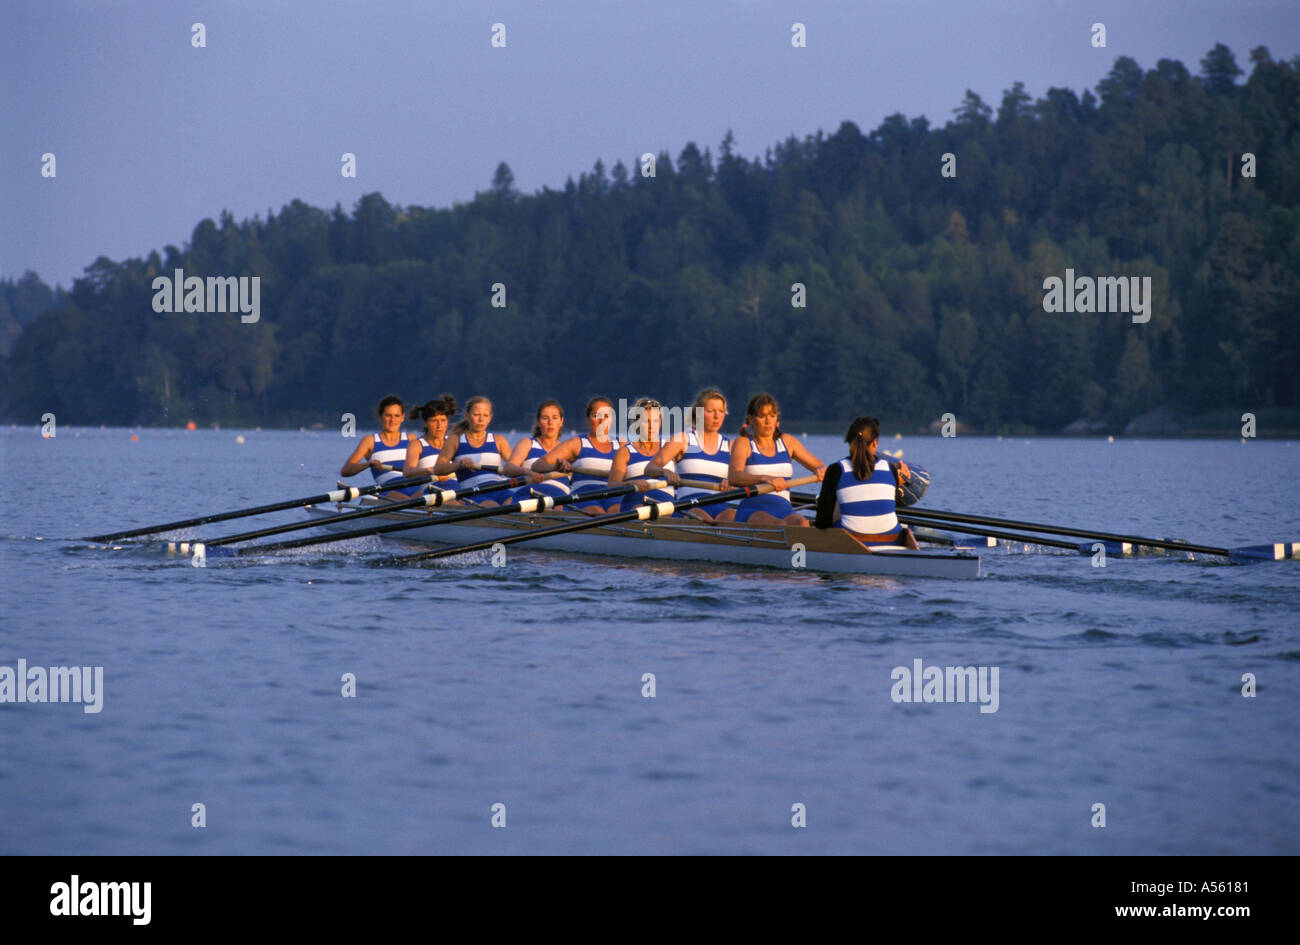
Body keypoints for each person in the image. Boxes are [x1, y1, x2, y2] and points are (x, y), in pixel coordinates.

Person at [813, 415, 920, 549]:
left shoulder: (836, 470)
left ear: (849, 441)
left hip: (852, 541)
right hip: (893, 540)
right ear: (875, 442)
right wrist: (898, 482)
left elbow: (822, 523)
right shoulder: (890, 469)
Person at [728, 393, 826, 526]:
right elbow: (734, 476)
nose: (768, 422)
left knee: (802, 523)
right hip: (753, 510)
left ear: (776, 419)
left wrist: (821, 470)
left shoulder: (788, 442)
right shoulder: (743, 443)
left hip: (784, 508)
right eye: (762, 416)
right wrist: (765, 478)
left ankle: (800, 545)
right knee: (779, 524)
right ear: (751, 420)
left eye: (772, 416)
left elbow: (819, 466)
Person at [647, 387, 733, 522]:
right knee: (699, 515)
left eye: (721, 411)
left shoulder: (731, 446)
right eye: (710, 411)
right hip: (689, 506)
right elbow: (650, 468)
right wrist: (665, 472)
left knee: (732, 515)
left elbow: (743, 477)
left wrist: (733, 481)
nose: (717, 416)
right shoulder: (682, 439)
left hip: (721, 507)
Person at [532, 396, 622, 515]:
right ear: (588, 419)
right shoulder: (577, 443)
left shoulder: (621, 444)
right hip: (584, 495)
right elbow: (537, 465)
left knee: (617, 511)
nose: (602, 421)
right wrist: (554, 467)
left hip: (612, 494)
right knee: (598, 513)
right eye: (596, 415)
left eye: (606, 416)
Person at [433, 396, 514, 507]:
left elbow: (515, 467)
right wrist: (459, 464)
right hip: (474, 493)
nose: (481, 420)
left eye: (485, 416)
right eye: (476, 415)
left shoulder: (499, 440)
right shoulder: (455, 440)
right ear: (467, 415)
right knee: (492, 505)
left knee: (513, 502)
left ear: (490, 418)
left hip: (500, 489)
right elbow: (438, 468)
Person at [339, 395, 420, 499]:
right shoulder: (370, 441)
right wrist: (367, 464)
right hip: (388, 491)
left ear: (402, 417)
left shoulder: (411, 439)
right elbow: (345, 471)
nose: (392, 420)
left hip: (414, 487)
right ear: (380, 416)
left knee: (421, 496)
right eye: (388, 415)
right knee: (407, 500)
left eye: (396, 416)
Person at [609, 398, 676, 512]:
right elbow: (612, 485)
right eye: (646, 421)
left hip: (666, 505)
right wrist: (630, 483)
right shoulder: (625, 452)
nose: (651, 426)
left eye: (655, 421)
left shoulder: (669, 448)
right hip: (636, 504)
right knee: (641, 509)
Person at [504, 400, 570, 503]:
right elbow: (508, 468)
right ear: (538, 422)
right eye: (545, 418)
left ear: (561, 422)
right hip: (531, 493)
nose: (550, 422)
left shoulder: (567, 448)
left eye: (555, 418)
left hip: (560, 497)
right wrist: (528, 472)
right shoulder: (527, 443)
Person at [401, 394, 459, 489]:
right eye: (434, 421)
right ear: (425, 422)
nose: (439, 425)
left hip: (458, 489)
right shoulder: (417, 445)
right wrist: (430, 470)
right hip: (433, 490)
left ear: (447, 421)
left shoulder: (453, 442)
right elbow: (407, 472)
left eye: (443, 420)